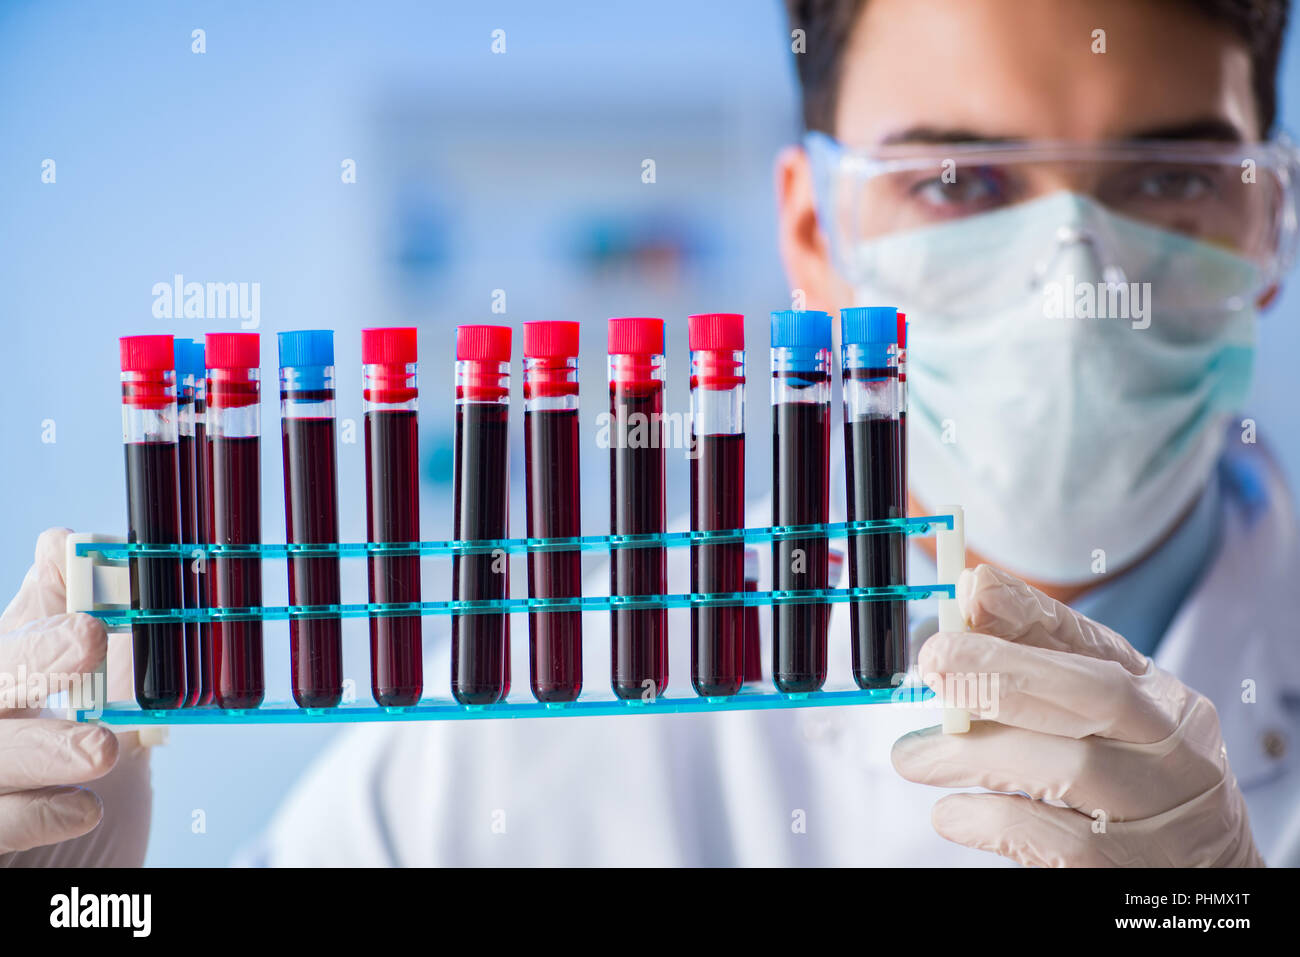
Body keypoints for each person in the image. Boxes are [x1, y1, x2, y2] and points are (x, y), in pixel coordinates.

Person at [2, 0, 1298, 866]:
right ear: (810, 236)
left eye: (1174, 177)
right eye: (960, 182)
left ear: (1271, 225)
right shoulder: (514, 732)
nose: (1069, 278)